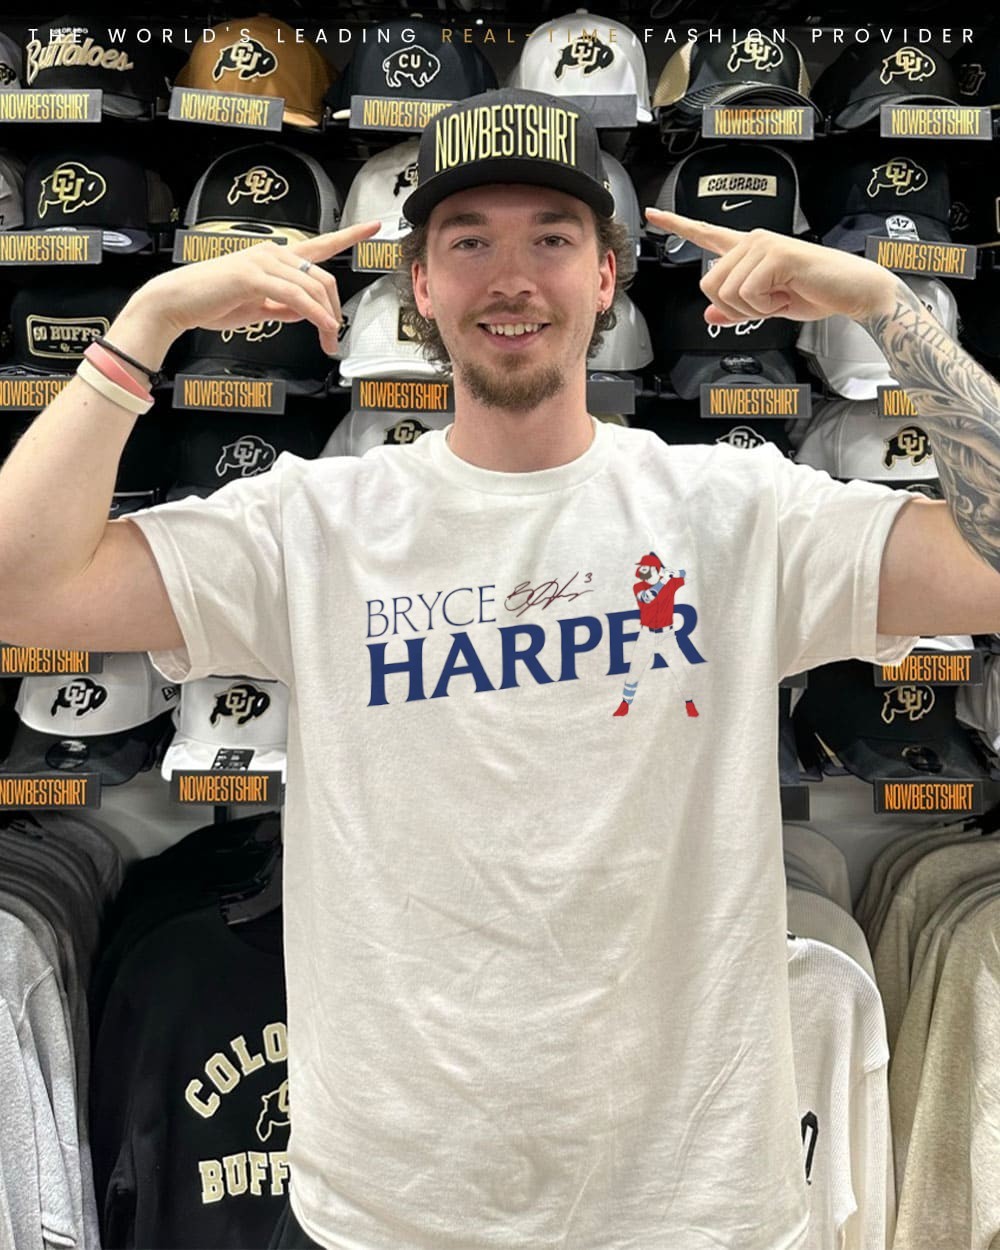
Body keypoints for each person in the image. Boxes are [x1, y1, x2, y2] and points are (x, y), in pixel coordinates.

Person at [0, 86, 998, 1250]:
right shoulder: (312, 522)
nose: (510, 278)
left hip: (685, 1197)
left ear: (607, 275)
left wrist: (889, 309)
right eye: (468, 242)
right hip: (394, 1198)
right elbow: (28, 587)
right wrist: (148, 322)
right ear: (418, 286)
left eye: (552, 239)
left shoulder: (739, 513)